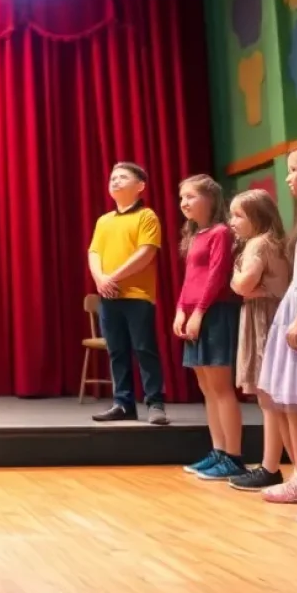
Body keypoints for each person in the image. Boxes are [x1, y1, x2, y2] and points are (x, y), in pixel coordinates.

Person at [87, 162, 169, 424]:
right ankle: (122, 403)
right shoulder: (104, 220)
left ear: (140, 186)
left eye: (123, 177)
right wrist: (100, 278)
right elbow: (94, 253)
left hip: (137, 296)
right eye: (113, 178)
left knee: (144, 349)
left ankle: (155, 403)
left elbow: (145, 253)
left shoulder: (147, 216)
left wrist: (112, 277)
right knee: (116, 351)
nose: (115, 181)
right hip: (108, 296)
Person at [174, 175, 243, 480]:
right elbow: (191, 280)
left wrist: (199, 311)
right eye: (181, 198)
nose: (184, 203)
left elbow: (216, 277)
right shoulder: (195, 235)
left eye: (190, 196)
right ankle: (218, 450)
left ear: (210, 199)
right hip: (193, 315)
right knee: (206, 388)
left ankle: (234, 456)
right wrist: (180, 310)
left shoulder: (220, 233)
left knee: (221, 388)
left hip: (215, 314)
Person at [227, 189, 291, 491]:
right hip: (270, 312)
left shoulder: (257, 244)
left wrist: (235, 272)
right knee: (272, 399)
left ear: (257, 216)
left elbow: (242, 285)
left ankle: (271, 467)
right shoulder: (278, 243)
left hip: (265, 317)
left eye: (238, 215)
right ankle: (275, 466)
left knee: (269, 398)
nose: (232, 221)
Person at [259, 147, 297, 508]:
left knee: (294, 403)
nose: (288, 177)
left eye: (293, 170)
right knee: (288, 403)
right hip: (295, 306)